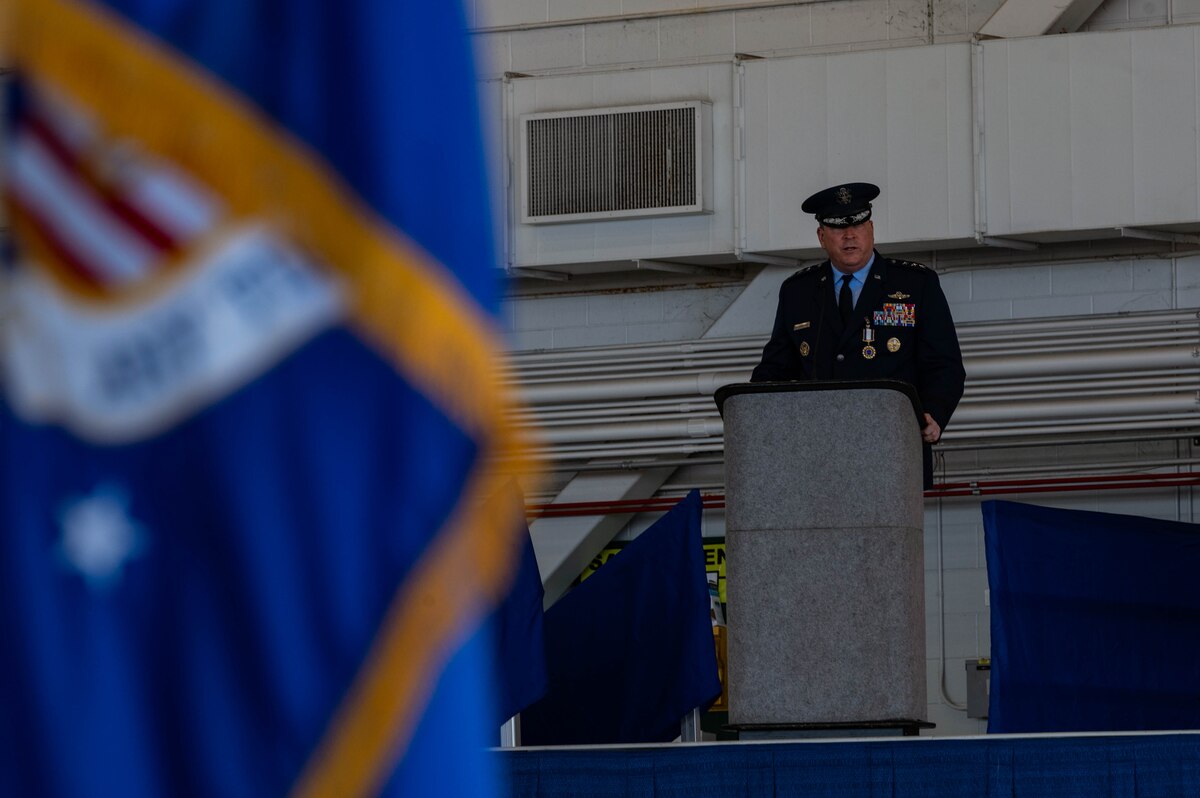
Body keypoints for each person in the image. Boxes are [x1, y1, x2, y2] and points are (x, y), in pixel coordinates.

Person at [751, 182, 966, 488]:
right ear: (821, 237)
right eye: (838, 227)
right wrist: (751, 410)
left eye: (858, 224)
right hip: (816, 456)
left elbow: (945, 364)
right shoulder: (798, 292)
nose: (849, 235)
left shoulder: (916, 284)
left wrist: (935, 412)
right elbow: (775, 368)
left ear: (871, 229)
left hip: (892, 448)